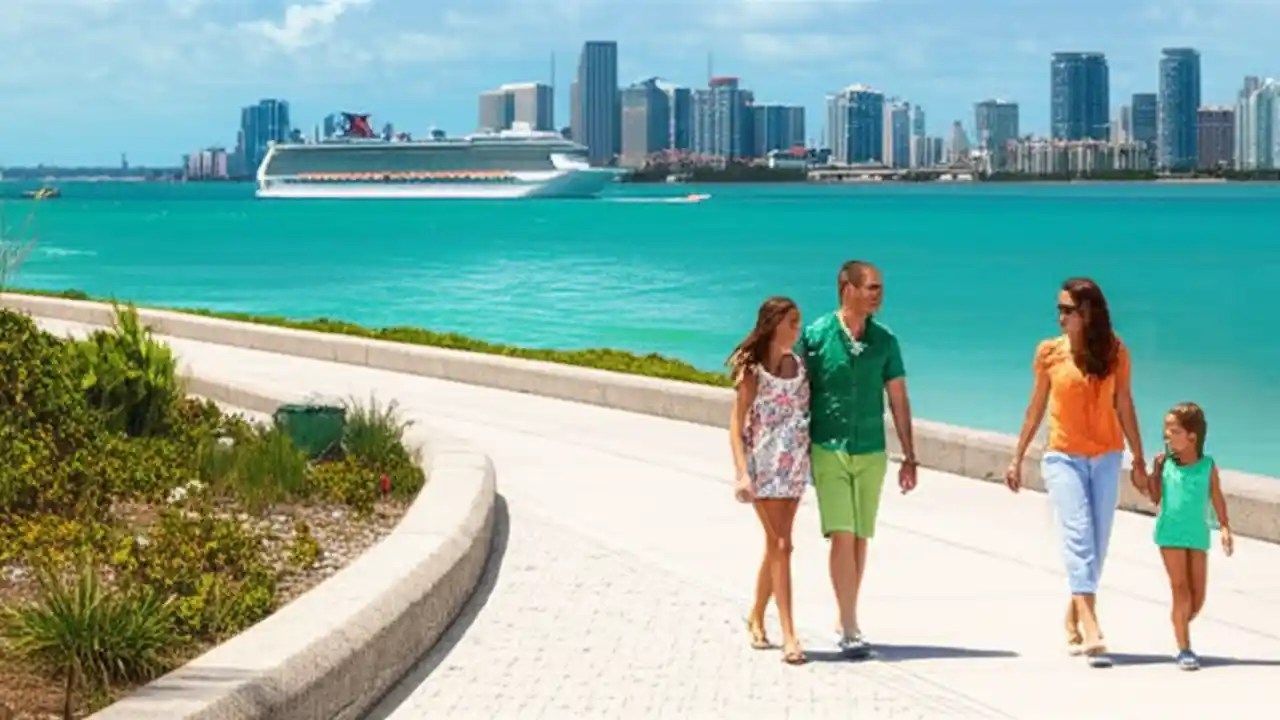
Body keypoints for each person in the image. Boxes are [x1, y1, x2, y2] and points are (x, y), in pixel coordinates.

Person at [1005, 277, 1147, 668]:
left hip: (1106, 456)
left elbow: (1125, 405)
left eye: (1068, 309)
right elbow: (1035, 408)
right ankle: (1091, 626)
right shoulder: (1049, 352)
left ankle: (1073, 612)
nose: (1060, 316)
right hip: (1062, 457)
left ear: (1088, 312)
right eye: (1059, 309)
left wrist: (1138, 458)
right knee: (1078, 537)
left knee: (1097, 545)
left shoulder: (1117, 353)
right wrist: (1017, 456)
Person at [796, 260, 917, 658]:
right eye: (871, 288)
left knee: (861, 537)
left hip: (871, 450)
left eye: (880, 289)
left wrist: (909, 455)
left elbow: (898, 397)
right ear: (846, 288)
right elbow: (797, 390)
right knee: (842, 535)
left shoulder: (885, 341)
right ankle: (850, 627)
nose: (878, 295)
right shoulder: (815, 336)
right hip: (828, 447)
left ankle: (845, 610)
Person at [728, 296, 811, 666]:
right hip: (762, 467)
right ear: (775, 323)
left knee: (778, 546)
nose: (797, 329)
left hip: (794, 466)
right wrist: (742, 472)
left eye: (798, 322)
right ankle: (790, 633)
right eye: (792, 322)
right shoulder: (752, 369)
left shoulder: (800, 366)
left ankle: (757, 616)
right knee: (782, 544)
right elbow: (735, 423)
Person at [1143, 402, 1233, 671]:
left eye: (1173, 431)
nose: (1166, 436)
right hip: (1170, 533)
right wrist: (1154, 474)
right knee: (1180, 590)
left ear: (1192, 437)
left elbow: (1217, 498)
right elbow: (1154, 497)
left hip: (1197, 534)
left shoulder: (1207, 466)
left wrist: (1225, 527)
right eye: (1165, 430)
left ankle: (1178, 621)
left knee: (1197, 597)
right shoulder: (1165, 464)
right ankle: (1184, 648)